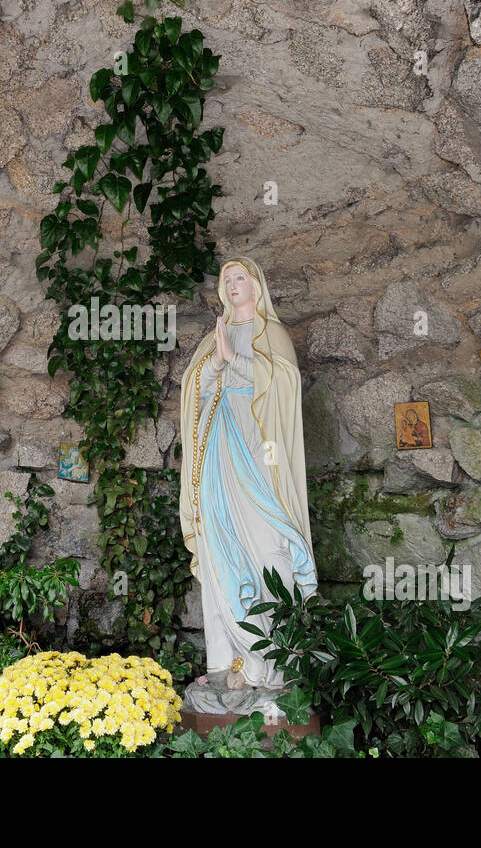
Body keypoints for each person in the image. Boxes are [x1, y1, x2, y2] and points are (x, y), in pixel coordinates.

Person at [179, 257, 317, 691]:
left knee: (266, 546)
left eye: (241, 278)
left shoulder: (271, 333)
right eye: (227, 279)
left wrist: (235, 359)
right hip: (217, 453)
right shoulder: (211, 339)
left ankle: (274, 661)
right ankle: (225, 662)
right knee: (218, 545)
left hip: (259, 457)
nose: (234, 285)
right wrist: (217, 362)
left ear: (257, 285)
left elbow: (283, 384)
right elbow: (195, 391)